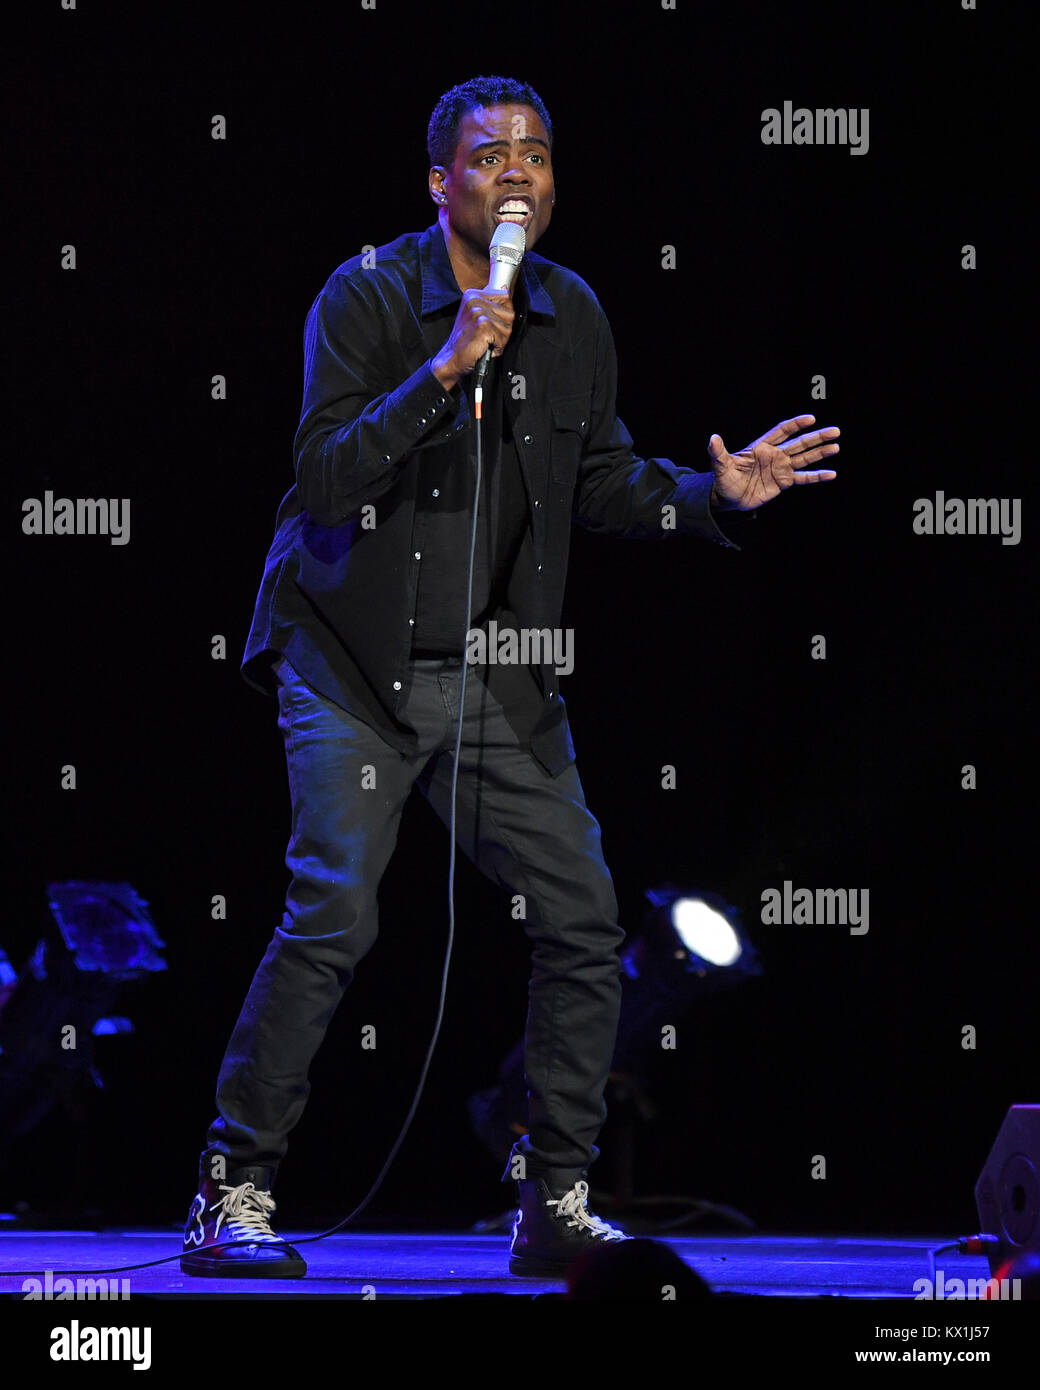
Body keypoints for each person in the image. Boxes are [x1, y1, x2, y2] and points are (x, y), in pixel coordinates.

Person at [180, 74, 839, 1281]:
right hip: (348, 662)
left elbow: (600, 479)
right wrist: (440, 369)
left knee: (586, 919)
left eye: (536, 154)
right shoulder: (369, 296)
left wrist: (708, 496)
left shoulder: (571, 311)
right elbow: (323, 480)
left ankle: (551, 1199)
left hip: (495, 672)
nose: (518, 172)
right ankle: (235, 1192)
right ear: (442, 182)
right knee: (335, 913)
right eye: (491, 157)